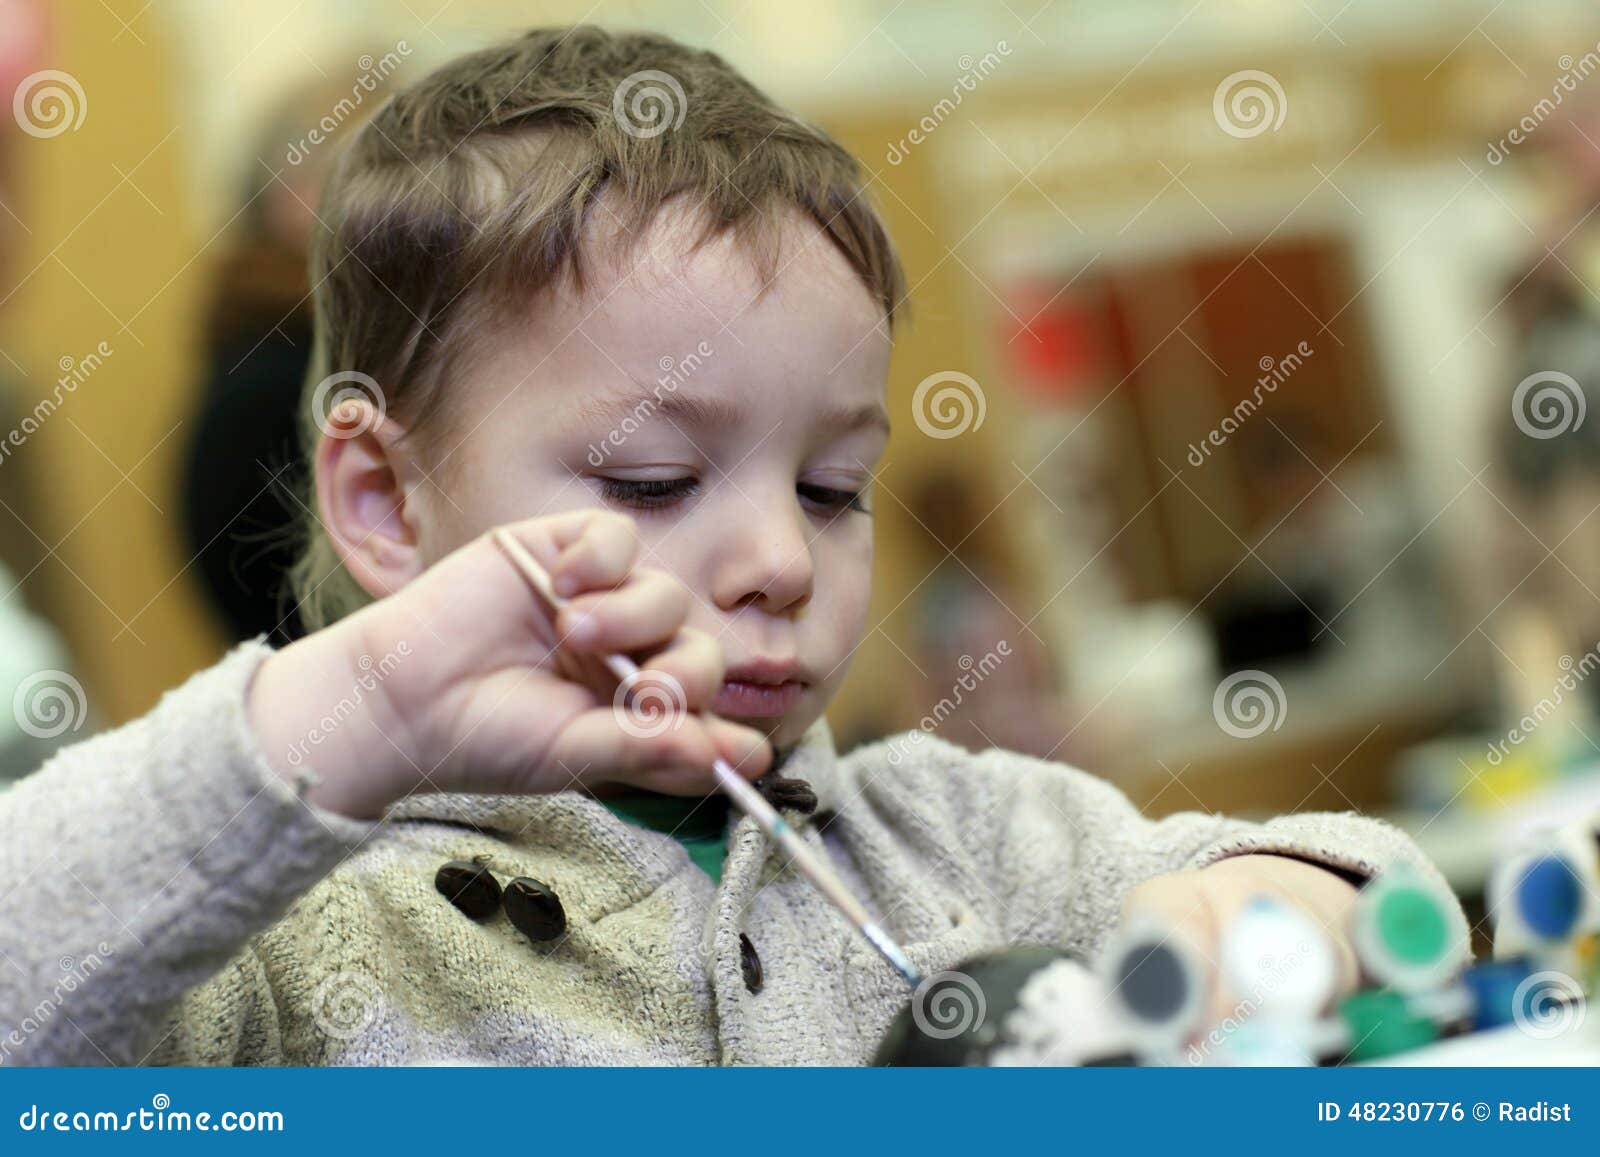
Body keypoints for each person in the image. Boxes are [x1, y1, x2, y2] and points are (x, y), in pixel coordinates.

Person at [0, 26, 1466, 1066]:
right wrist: (360, 707)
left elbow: (1386, 887)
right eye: (652, 478)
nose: (778, 556)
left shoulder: (957, 836)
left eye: (832, 486)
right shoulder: (302, 954)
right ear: (385, 502)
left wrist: (1250, 914)